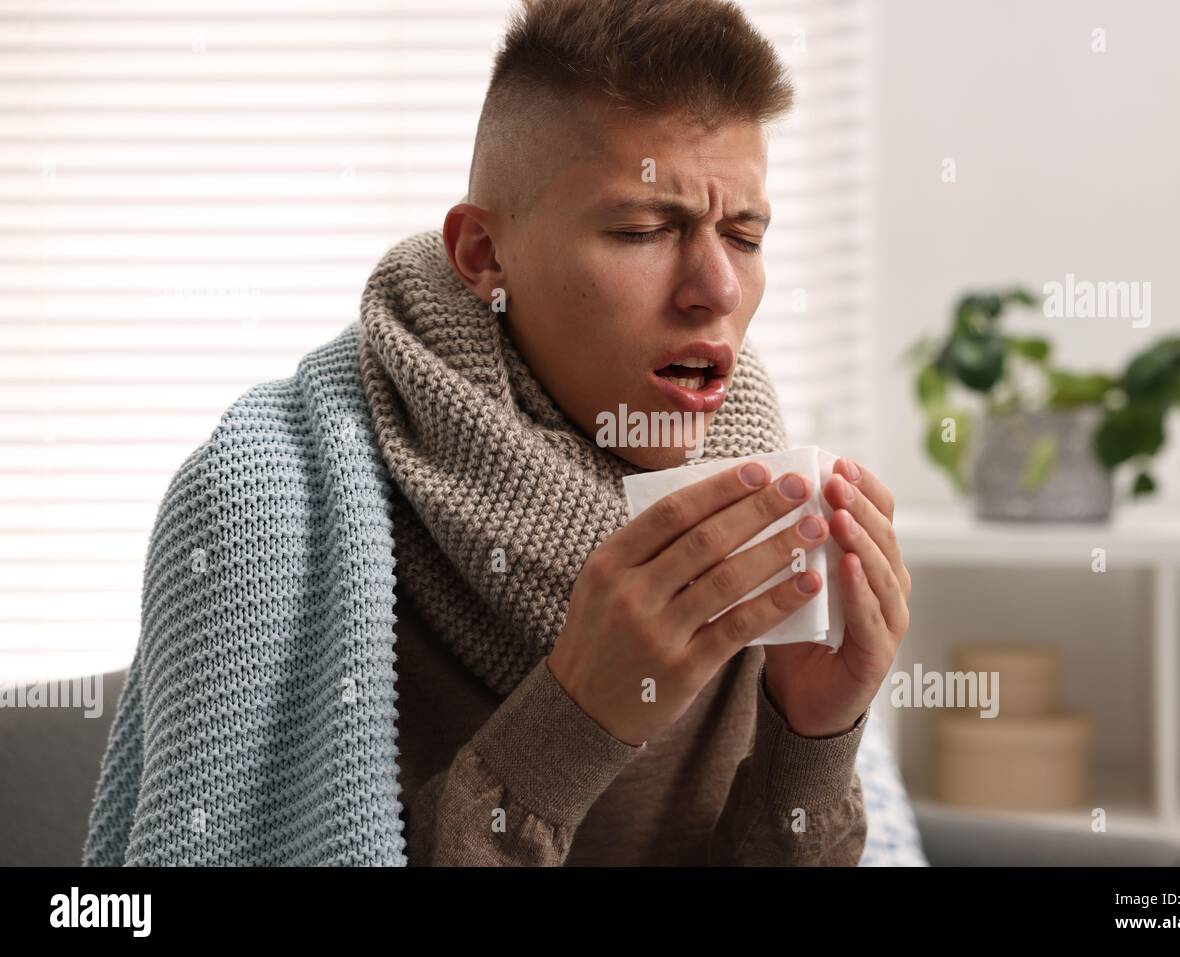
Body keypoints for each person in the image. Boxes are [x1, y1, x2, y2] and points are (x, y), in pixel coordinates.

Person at [83, 0, 912, 867]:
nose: (718, 288)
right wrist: (571, 726)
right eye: (644, 229)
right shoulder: (258, 506)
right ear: (483, 255)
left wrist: (813, 741)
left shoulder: (764, 503)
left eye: (744, 235)